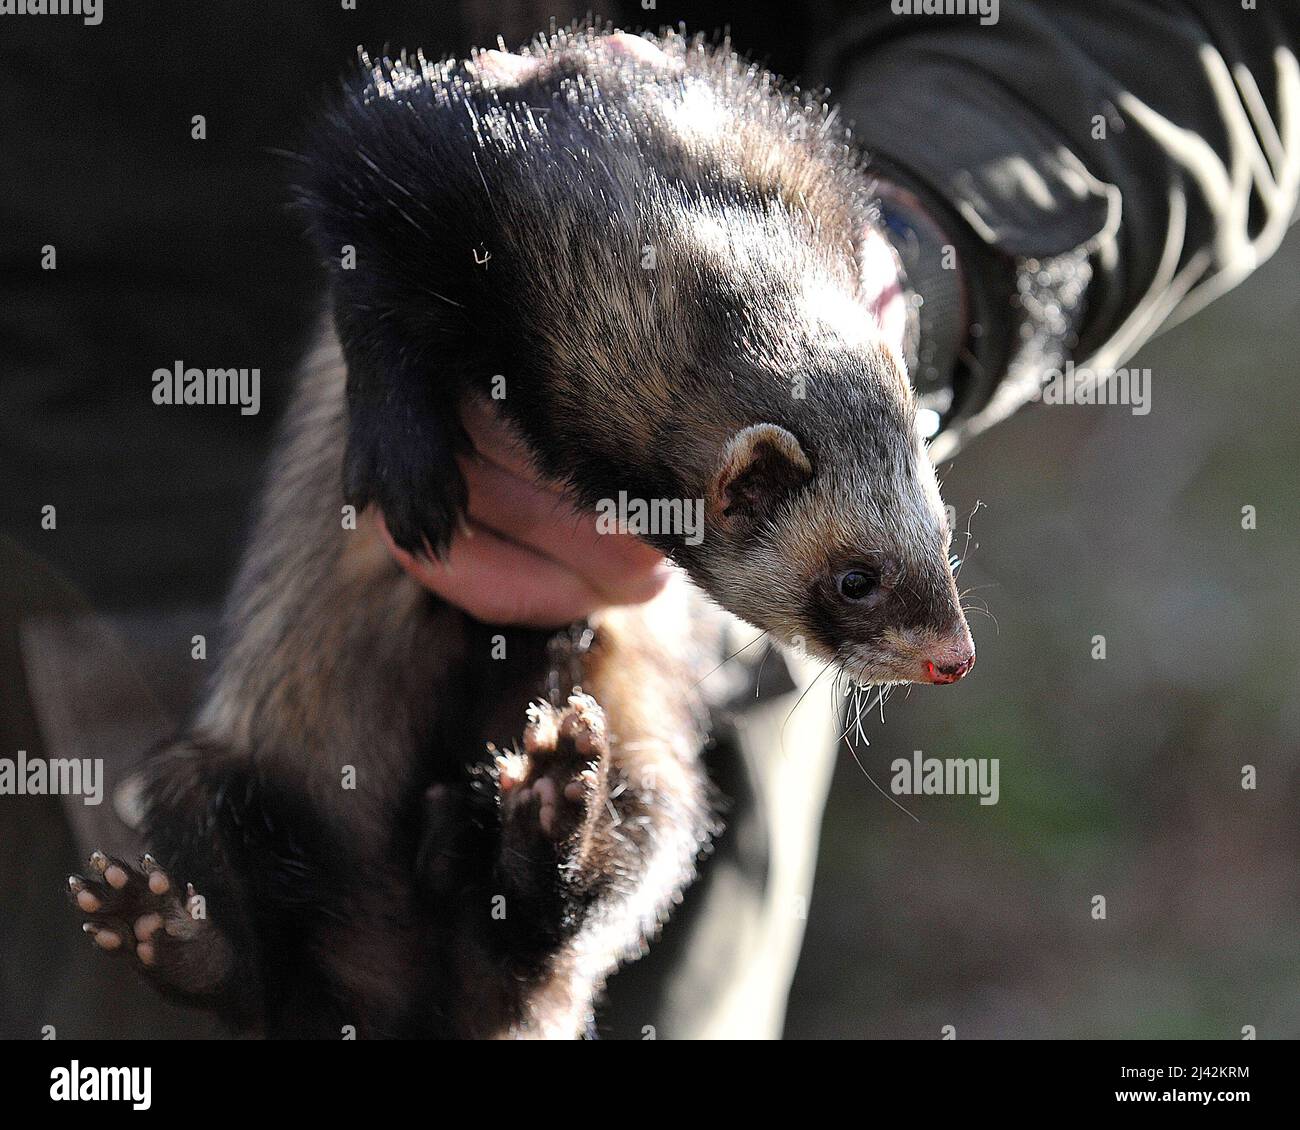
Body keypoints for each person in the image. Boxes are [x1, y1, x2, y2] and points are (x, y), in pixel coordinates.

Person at [2, 0, 1295, 1039]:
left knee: (580, 878)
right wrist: (398, 404)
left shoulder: (782, 336)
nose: (945, 655)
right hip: (109, 568)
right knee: (276, 889)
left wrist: (929, 278)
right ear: (745, 482)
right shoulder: (565, 235)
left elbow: (1193, 35)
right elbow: (375, 160)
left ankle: (532, 859)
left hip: (683, 692)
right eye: (857, 586)